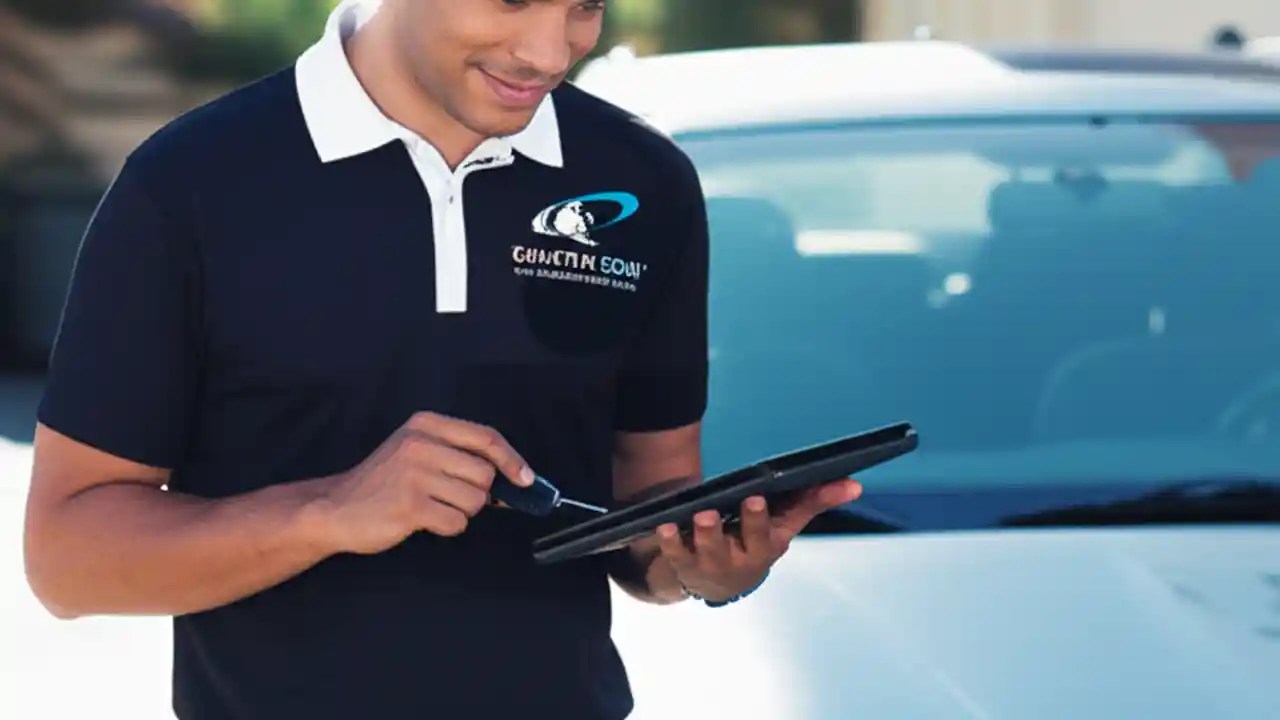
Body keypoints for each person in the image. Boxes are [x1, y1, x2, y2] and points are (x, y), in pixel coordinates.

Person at [21, 1, 863, 718]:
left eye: (585, 4)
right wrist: (329, 509)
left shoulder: (645, 183)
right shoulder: (189, 185)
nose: (551, 51)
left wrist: (703, 565)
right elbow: (68, 561)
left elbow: (649, 502)